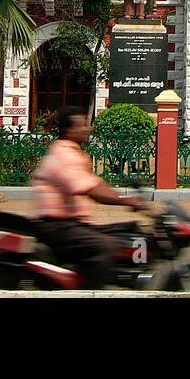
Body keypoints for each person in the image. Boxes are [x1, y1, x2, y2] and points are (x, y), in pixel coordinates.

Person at [30, 108, 152, 289]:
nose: (87, 129)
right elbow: (90, 189)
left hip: (74, 225)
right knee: (107, 247)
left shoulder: (75, 153)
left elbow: (96, 184)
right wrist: (126, 201)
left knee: (123, 233)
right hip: (59, 226)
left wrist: (129, 198)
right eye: (82, 126)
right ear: (68, 130)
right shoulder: (63, 155)